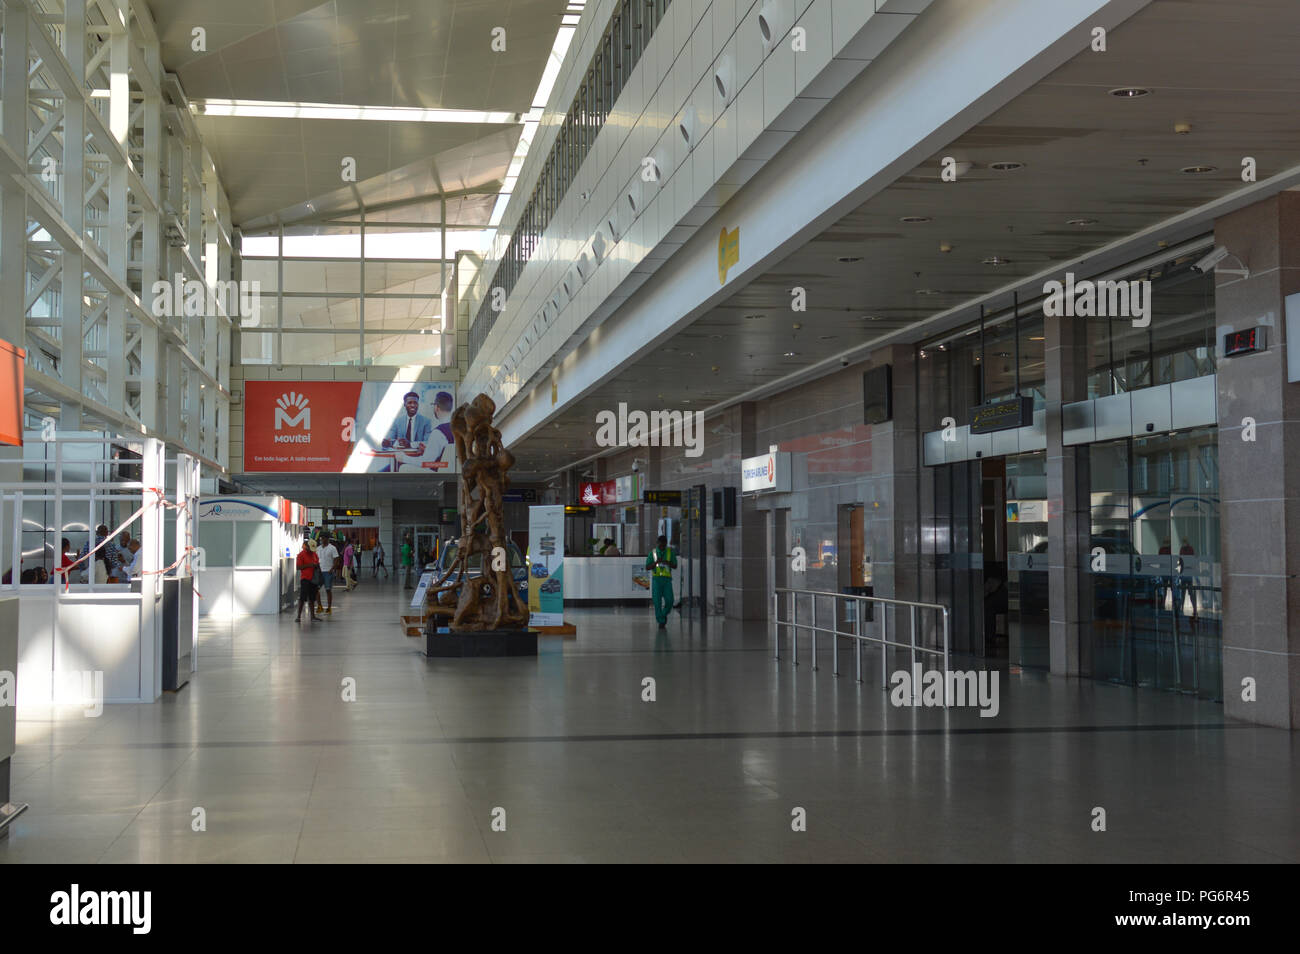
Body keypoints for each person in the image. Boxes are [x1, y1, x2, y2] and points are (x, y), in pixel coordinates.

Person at [380, 391, 434, 472]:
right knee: (381, 474)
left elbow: (428, 442)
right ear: (404, 404)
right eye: (410, 402)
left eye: (415, 403)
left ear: (418, 404)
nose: (413, 405)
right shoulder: (397, 421)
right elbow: (390, 438)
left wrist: (410, 444)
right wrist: (387, 443)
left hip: (417, 461)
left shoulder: (426, 422)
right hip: (399, 460)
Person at [646, 534, 677, 627]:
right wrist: (656, 562)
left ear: (666, 544)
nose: (662, 547)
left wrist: (668, 562)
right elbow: (647, 567)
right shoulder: (653, 553)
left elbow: (675, 566)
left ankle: (663, 615)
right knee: (657, 602)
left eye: (664, 545)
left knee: (670, 600)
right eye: (661, 545)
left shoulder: (670, 552)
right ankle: (661, 621)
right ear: (657, 543)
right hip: (657, 580)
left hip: (667, 581)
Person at [295, 539, 321, 623]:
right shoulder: (301, 555)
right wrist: (309, 565)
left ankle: (313, 617)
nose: (311, 551)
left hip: (313, 579)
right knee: (302, 597)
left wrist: (316, 566)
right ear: (307, 547)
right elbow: (298, 567)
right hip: (305, 579)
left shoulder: (315, 554)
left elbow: (317, 563)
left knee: (312, 598)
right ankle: (298, 616)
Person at [316, 534, 339, 614]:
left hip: (328, 571)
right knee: (316, 589)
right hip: (320, 572)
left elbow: (336, 559)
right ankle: (320, 606)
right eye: (321, 539)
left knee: (328, 589)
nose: (322, 540)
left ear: (327, 539)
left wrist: (332, 569)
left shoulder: (332, 548)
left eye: (323, 538)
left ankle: (329, 608)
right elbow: (316, 559)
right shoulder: (318, 548)